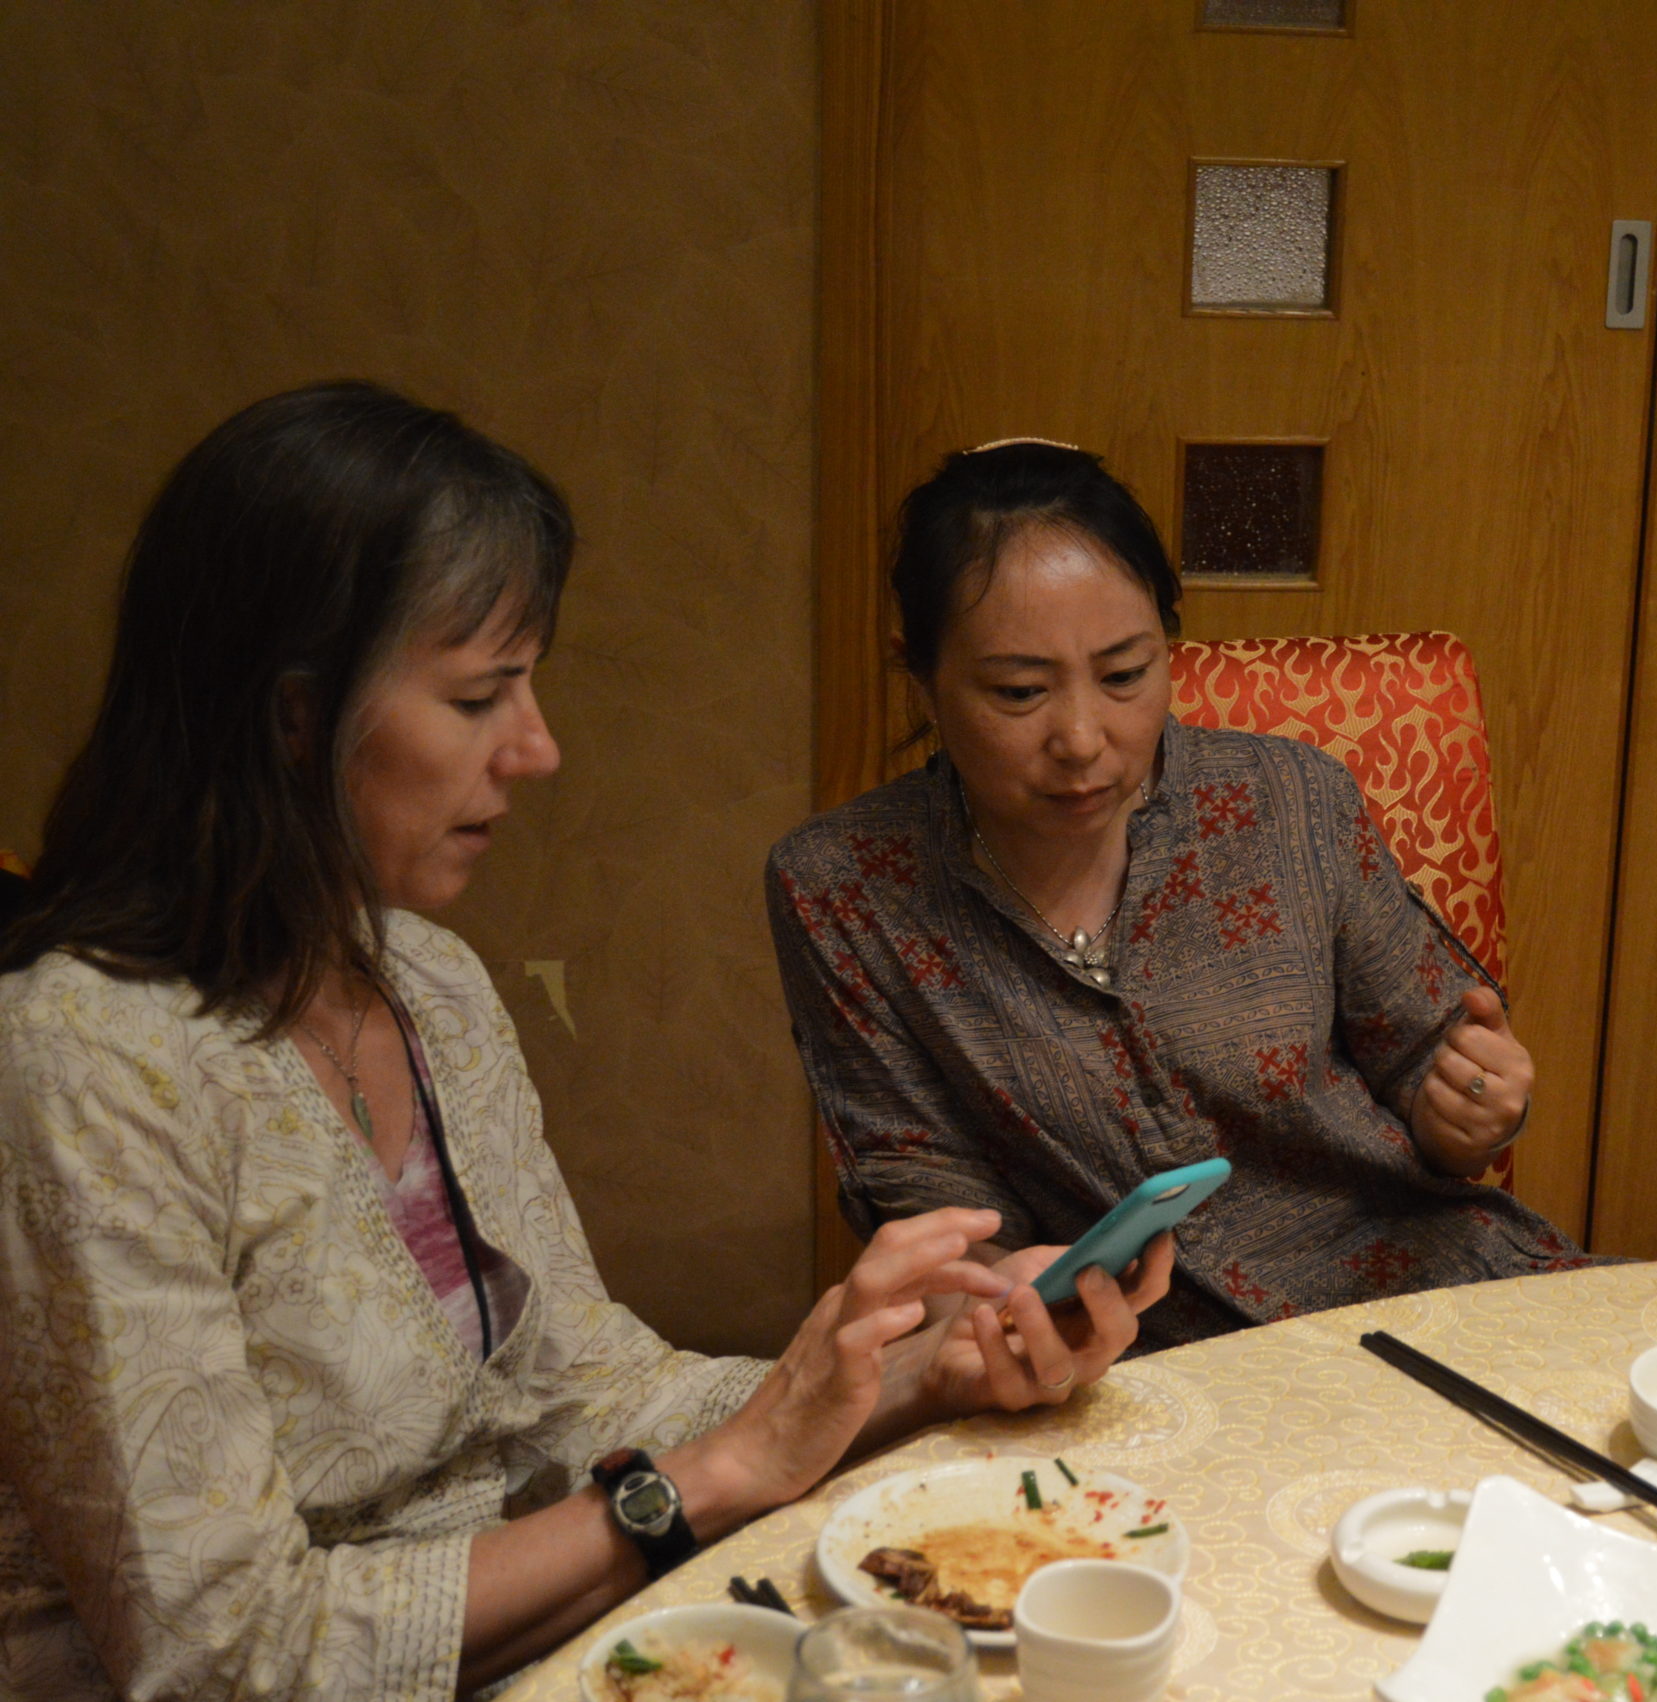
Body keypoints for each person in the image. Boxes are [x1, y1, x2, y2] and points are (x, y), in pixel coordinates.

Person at [0, 384, 1172, 1701]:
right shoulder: (89, 1060)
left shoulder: (424, 981)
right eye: (481, 693)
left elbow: (579, 1386)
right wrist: (699, 1486)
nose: (538, 747)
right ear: (292, 717)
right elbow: (220, 1650)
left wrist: (897, 1368)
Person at [766, 440, 1594, 1351]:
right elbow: (932, 1200)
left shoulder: (1292, 799)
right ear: (917, 672)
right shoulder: (847, 889)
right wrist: (988, 1302)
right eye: (1018, 691)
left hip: (1416, 1294)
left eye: (1125, 675)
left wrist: (1473, 1107)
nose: (1081, 738)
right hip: (1133, 1363)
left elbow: (1429, 1066)